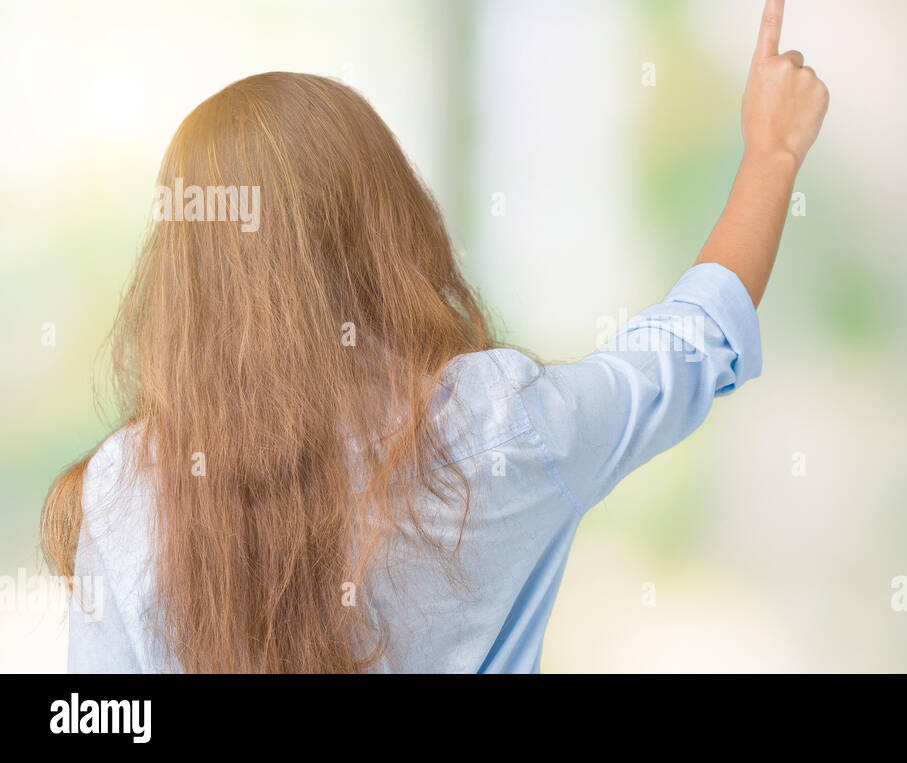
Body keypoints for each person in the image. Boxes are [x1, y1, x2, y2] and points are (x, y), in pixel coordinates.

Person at [43, 0, 828, 672]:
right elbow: (693, 342)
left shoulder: (126, 487)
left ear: (185, 273)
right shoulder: (494, 427)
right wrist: (773, 151)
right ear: (382, 225)